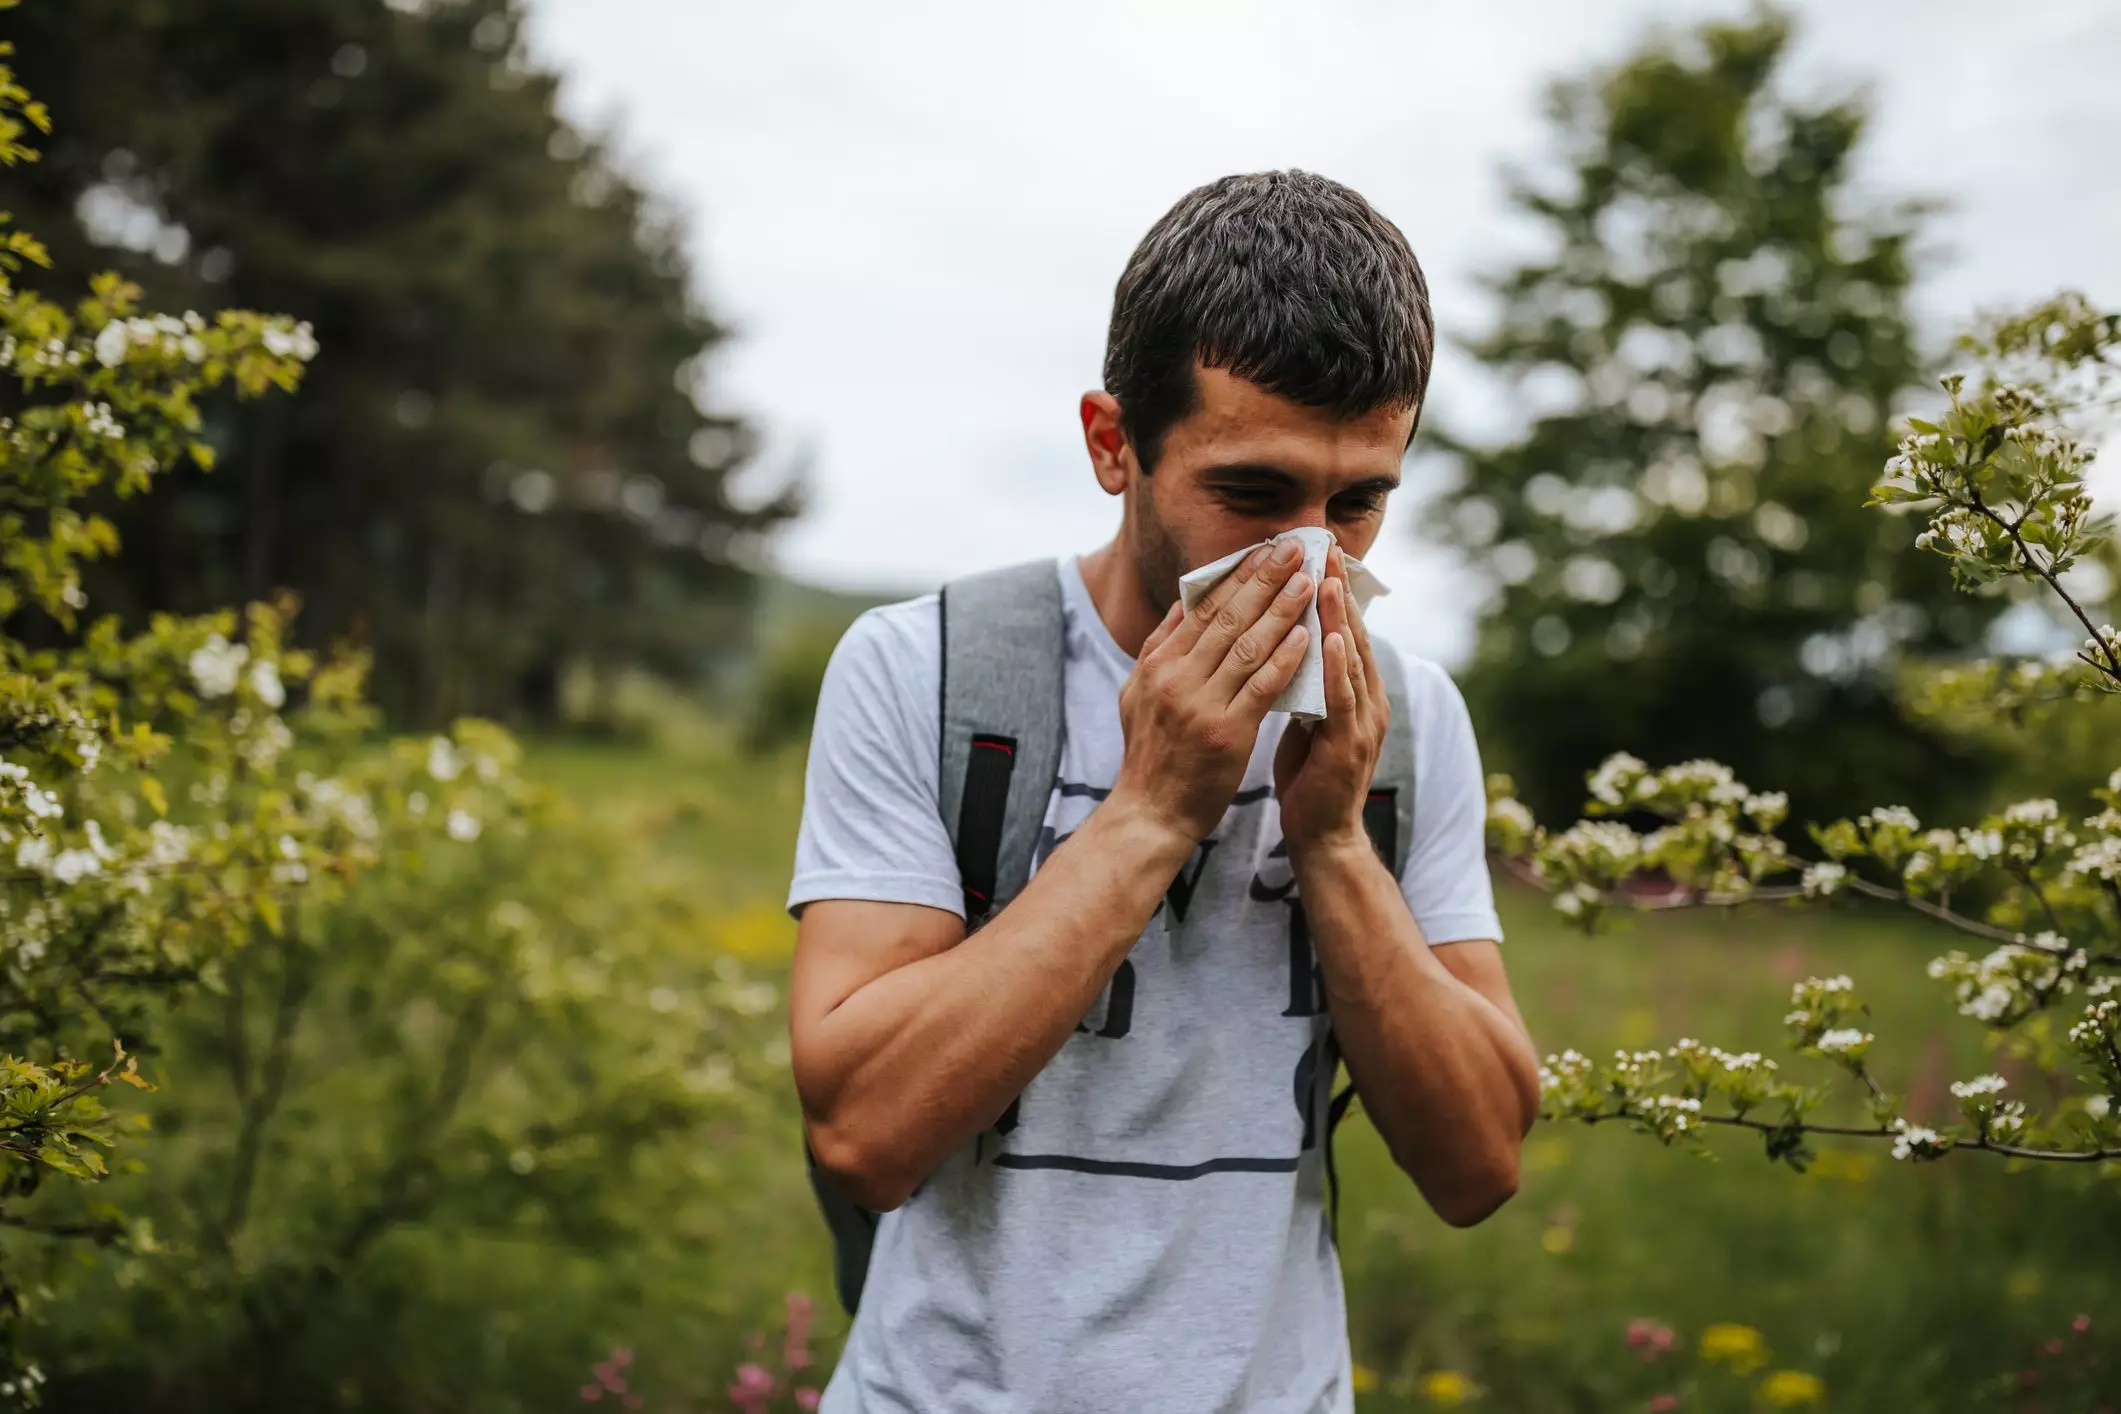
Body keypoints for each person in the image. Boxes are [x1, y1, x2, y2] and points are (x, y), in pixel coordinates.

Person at [786, 170, 1540, 1414]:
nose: (1310, 558)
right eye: (1252, 494)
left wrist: (1339, 845)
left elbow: (1480, 1163)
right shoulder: (921, 670)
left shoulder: (1408, 722)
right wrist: (1149, 814)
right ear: (1109, 442)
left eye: (1357, 504)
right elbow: (864, 1131)